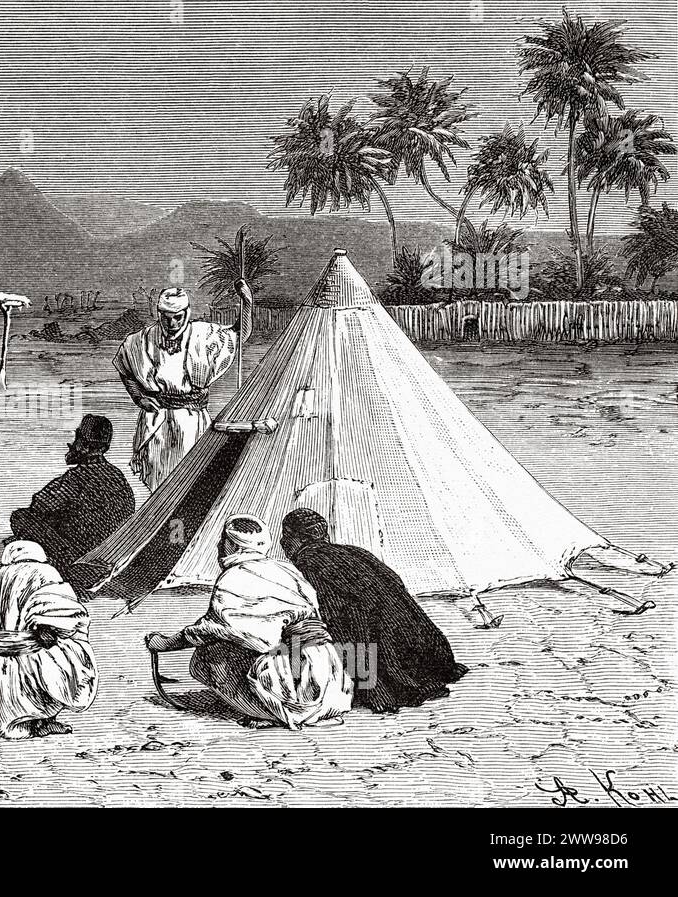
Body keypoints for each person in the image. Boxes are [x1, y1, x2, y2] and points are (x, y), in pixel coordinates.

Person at [145, 515, 353, 729]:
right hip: (331, 683)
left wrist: (163, 644)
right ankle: (306, 708)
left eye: (222, 541)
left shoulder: (233, 577)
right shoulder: (286, 570)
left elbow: (207, 631)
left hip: (300, 683)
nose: (218, 546)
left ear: (233, 546)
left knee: (206, 656)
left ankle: (269, 712)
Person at [279, 508, 469, 714]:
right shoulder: (355, 552)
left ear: (294, 539)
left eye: (286, 536)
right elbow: (396, 586)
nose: (282, 543)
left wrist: (370, 684)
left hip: (387, 657)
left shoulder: (306, 565)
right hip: (424, 651)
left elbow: (342, 622)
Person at [0, 540, 97, 738]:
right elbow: (64, 619)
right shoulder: (46, 574)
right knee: (67, 652)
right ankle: (40, 721)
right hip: (30, 660)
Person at [114, 286, 238, 491]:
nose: (172, 324)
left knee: (193, 478)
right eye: (166, 318)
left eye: (178, 318)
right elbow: (124, 367)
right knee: (158, 479)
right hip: (157, 421)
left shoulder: (204, 335)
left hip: (192, 421)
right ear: (159, 314)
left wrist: (247, 301)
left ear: (186, 314)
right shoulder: (142, 339)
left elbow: (239, 332)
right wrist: (138, 397)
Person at [8, 413, 135, 580]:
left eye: (77, 438)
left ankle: (67, 566)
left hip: (79, 553)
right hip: (111, 549)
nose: (72, 445)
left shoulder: (76, 478)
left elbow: (38, 504)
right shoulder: (117, 475)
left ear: (84, 445)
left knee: (20, 517)